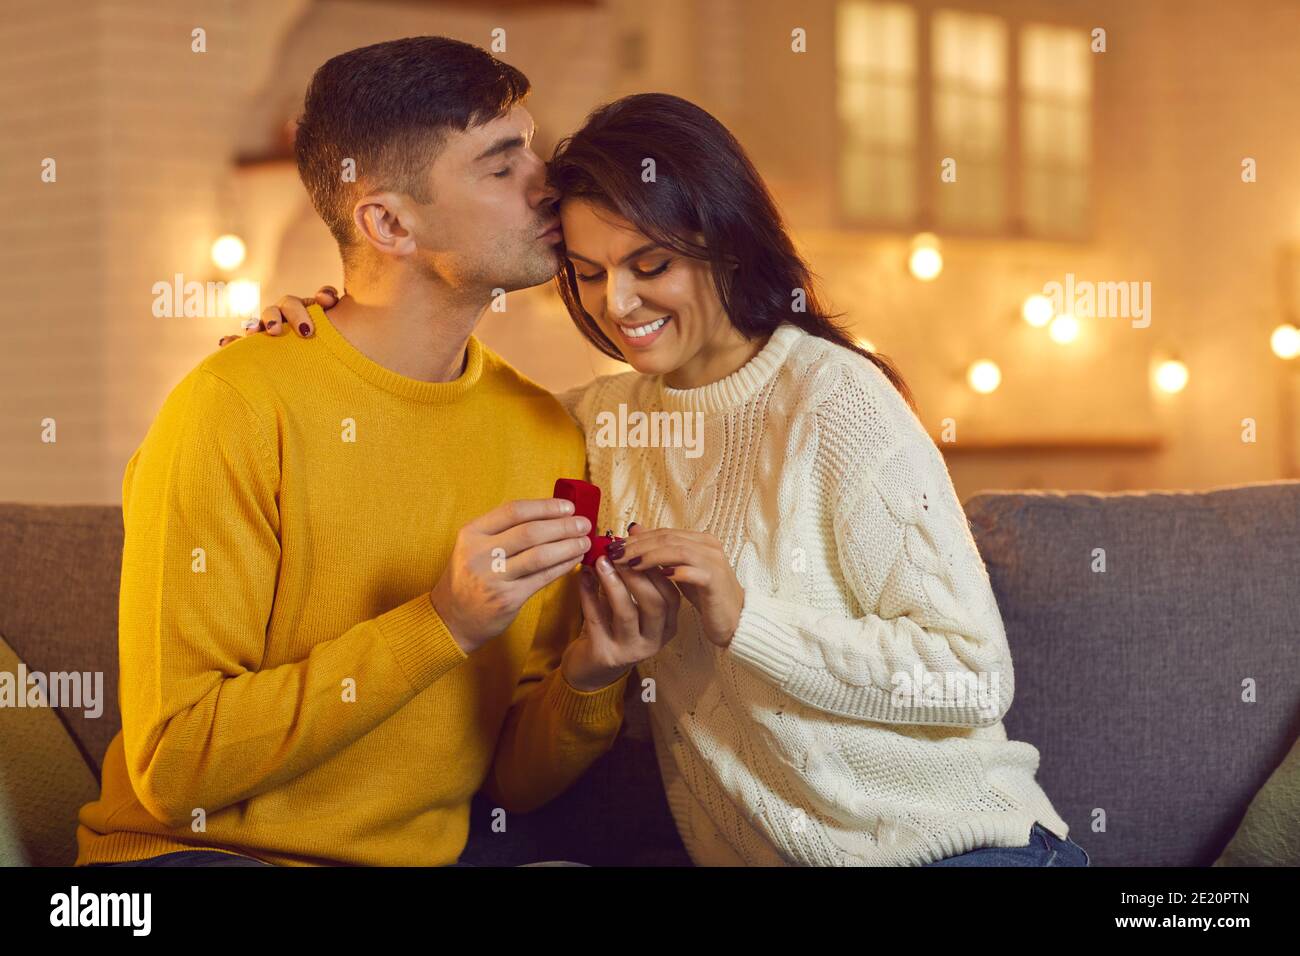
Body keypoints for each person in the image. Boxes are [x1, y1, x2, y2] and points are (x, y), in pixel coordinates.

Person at [254, 89, 1091, 867]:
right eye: (587, 272)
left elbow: (972, 674)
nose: (617, 302)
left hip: (958, 848)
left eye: (649, 265)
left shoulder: (836, 401)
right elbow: (439, 422)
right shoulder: (595, 421)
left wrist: (746, 618)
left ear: (724, 244)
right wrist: (331, 336)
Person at [76, 36, 678, 868]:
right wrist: (442, 623)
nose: (548, 184)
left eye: (532, 149)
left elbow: (512, 784)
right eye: (501, 166)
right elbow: (174, 767)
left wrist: (592, 674)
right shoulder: (232, 408)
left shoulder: (544, 431)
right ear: (388, 222)